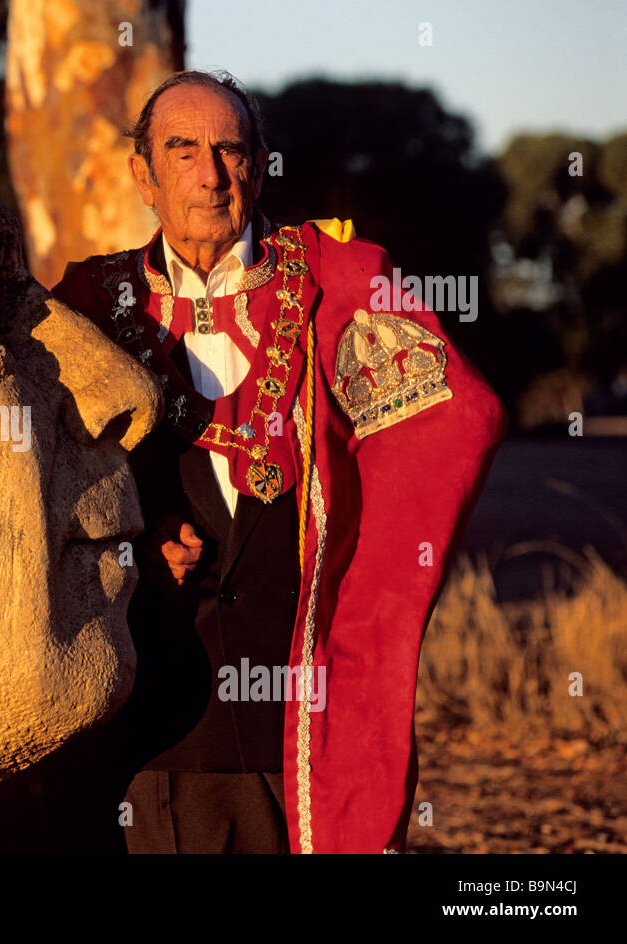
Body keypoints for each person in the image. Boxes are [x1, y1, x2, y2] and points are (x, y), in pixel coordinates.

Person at [49, 69, 506, 853]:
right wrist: (125, 535)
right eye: (182, 150)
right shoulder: (88, 306)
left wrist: (365, 565)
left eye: (230, 151)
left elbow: (456, 420)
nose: (209, 174)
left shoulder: (339, 284)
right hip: (148, 740)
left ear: (259, 169)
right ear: (144, 176)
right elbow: (38, 476)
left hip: (303, 736)